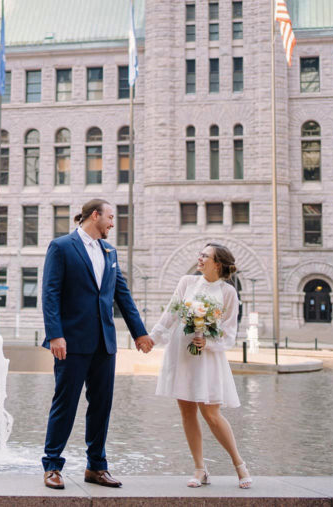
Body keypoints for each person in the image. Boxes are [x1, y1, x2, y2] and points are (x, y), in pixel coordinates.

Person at [40, 199, 154, 490]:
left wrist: (140, 333)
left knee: (101, 406)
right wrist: (55, 334)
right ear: (95, 216)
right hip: (71, 342)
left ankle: (96, 467)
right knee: (65, 404)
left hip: (105, 343)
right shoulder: (62, 247)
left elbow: (122, 296)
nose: (113, 224)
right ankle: (52, 465)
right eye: (111, 218)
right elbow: (50, 293)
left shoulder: (109, 251)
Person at [150, 243, 252, 489]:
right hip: (182, 351)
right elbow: (172, 312)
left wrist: (207, 340)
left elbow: (229, 331)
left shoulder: (228, 292)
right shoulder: (186, 282)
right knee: (187, 412)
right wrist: (152, 338)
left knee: (212, 414)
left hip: (208, 356)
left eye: (205, 256)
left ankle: (240, 465)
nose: (200, 258)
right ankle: (199, 469)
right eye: (200, 254)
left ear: (217, 263)